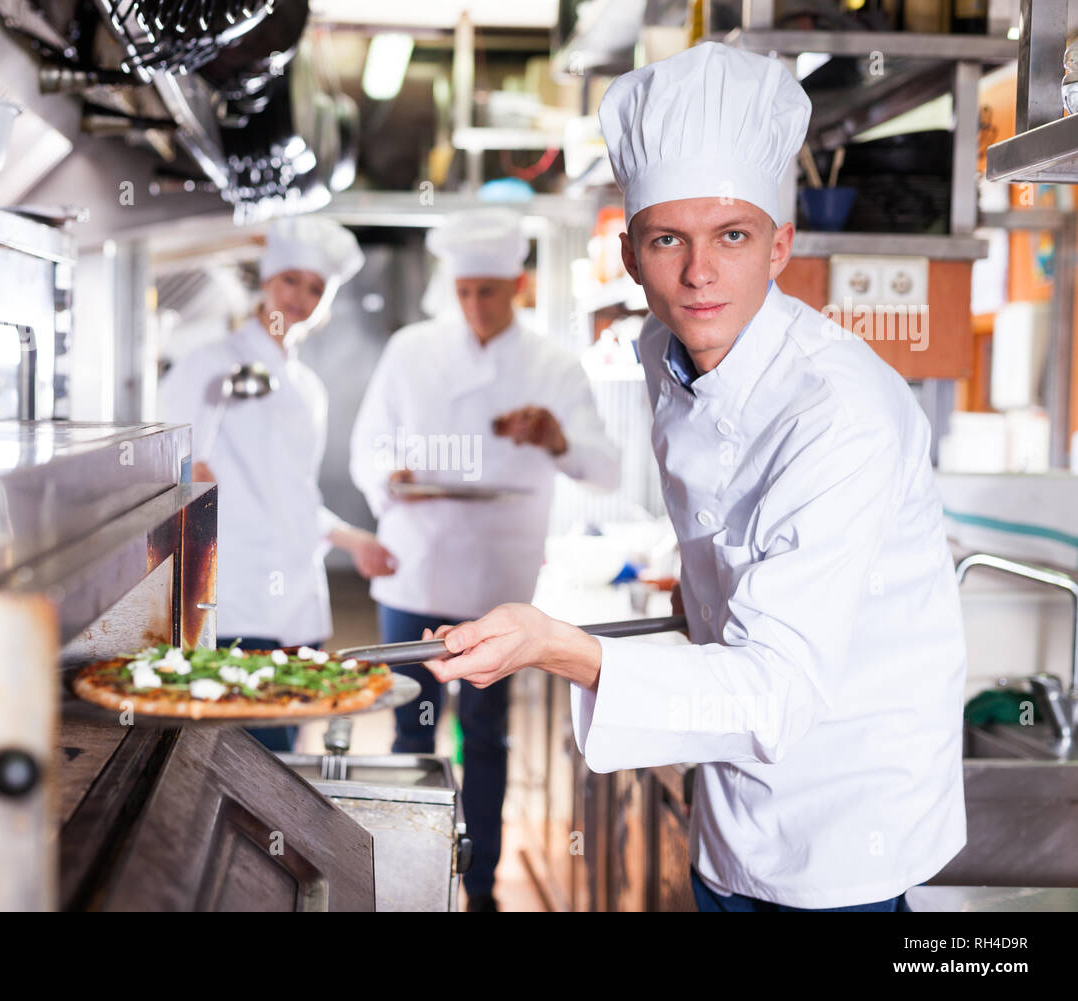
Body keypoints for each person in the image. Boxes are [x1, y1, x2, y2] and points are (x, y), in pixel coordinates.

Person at [417, 42, 969, 912]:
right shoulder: (662, 349)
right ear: (630, 255)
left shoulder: (840, 413)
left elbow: (777, 690)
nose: (699, 273)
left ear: (780, 245)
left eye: (733, 236)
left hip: (843, 817)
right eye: (668, 239)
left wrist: (558, 643)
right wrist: (697, 602)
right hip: (729, 799)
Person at [349, 208, 621, 911]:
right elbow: (367, 447)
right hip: (416, 569)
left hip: (500, 583)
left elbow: (607, 469)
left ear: (519, 285)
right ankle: (406, 873)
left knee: (487, 735)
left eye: (490, 291)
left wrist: (557, 438)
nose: (475, 305)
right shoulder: (412, 350)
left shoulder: (553, 366)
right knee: (410, 724)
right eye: (465, 290)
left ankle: (482, 883)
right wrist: (394, 475)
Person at [159, 214, 396, 752]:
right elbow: (171, 458)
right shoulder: (210, 364)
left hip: (298, 598)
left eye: (315, 288)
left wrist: (351, 539)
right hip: (238, 591)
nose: (299, 297)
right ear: (267, 280)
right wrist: (188, 469)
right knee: (243, 754)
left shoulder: (309, 388)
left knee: (285, 753)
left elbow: (294, 494)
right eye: (291, 280)